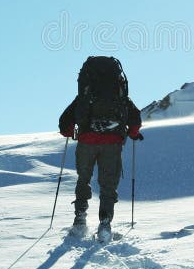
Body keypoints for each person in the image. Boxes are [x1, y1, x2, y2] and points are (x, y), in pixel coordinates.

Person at [59, 56, 143, 241]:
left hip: (86, 142)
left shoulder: (84, 96)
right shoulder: (120, 96)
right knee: (108, 184)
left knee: (84, 179)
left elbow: (64, 123)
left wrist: (70, 131)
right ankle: (105, 224)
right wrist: (133, 133)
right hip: (112, 144)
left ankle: (80, 219)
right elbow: (135, 120)